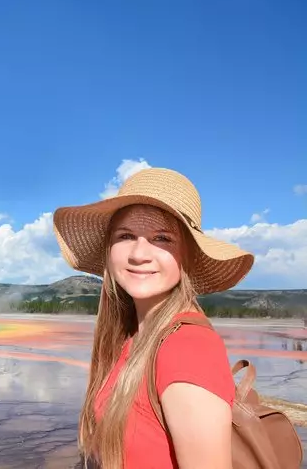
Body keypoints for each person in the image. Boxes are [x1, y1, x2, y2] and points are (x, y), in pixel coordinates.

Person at [53, 168, 254, 469]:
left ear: (187, 255)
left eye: (162, 238)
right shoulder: (135, 336)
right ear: (109, 250)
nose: (138, 253)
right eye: (126, 236)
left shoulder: (188, 348)